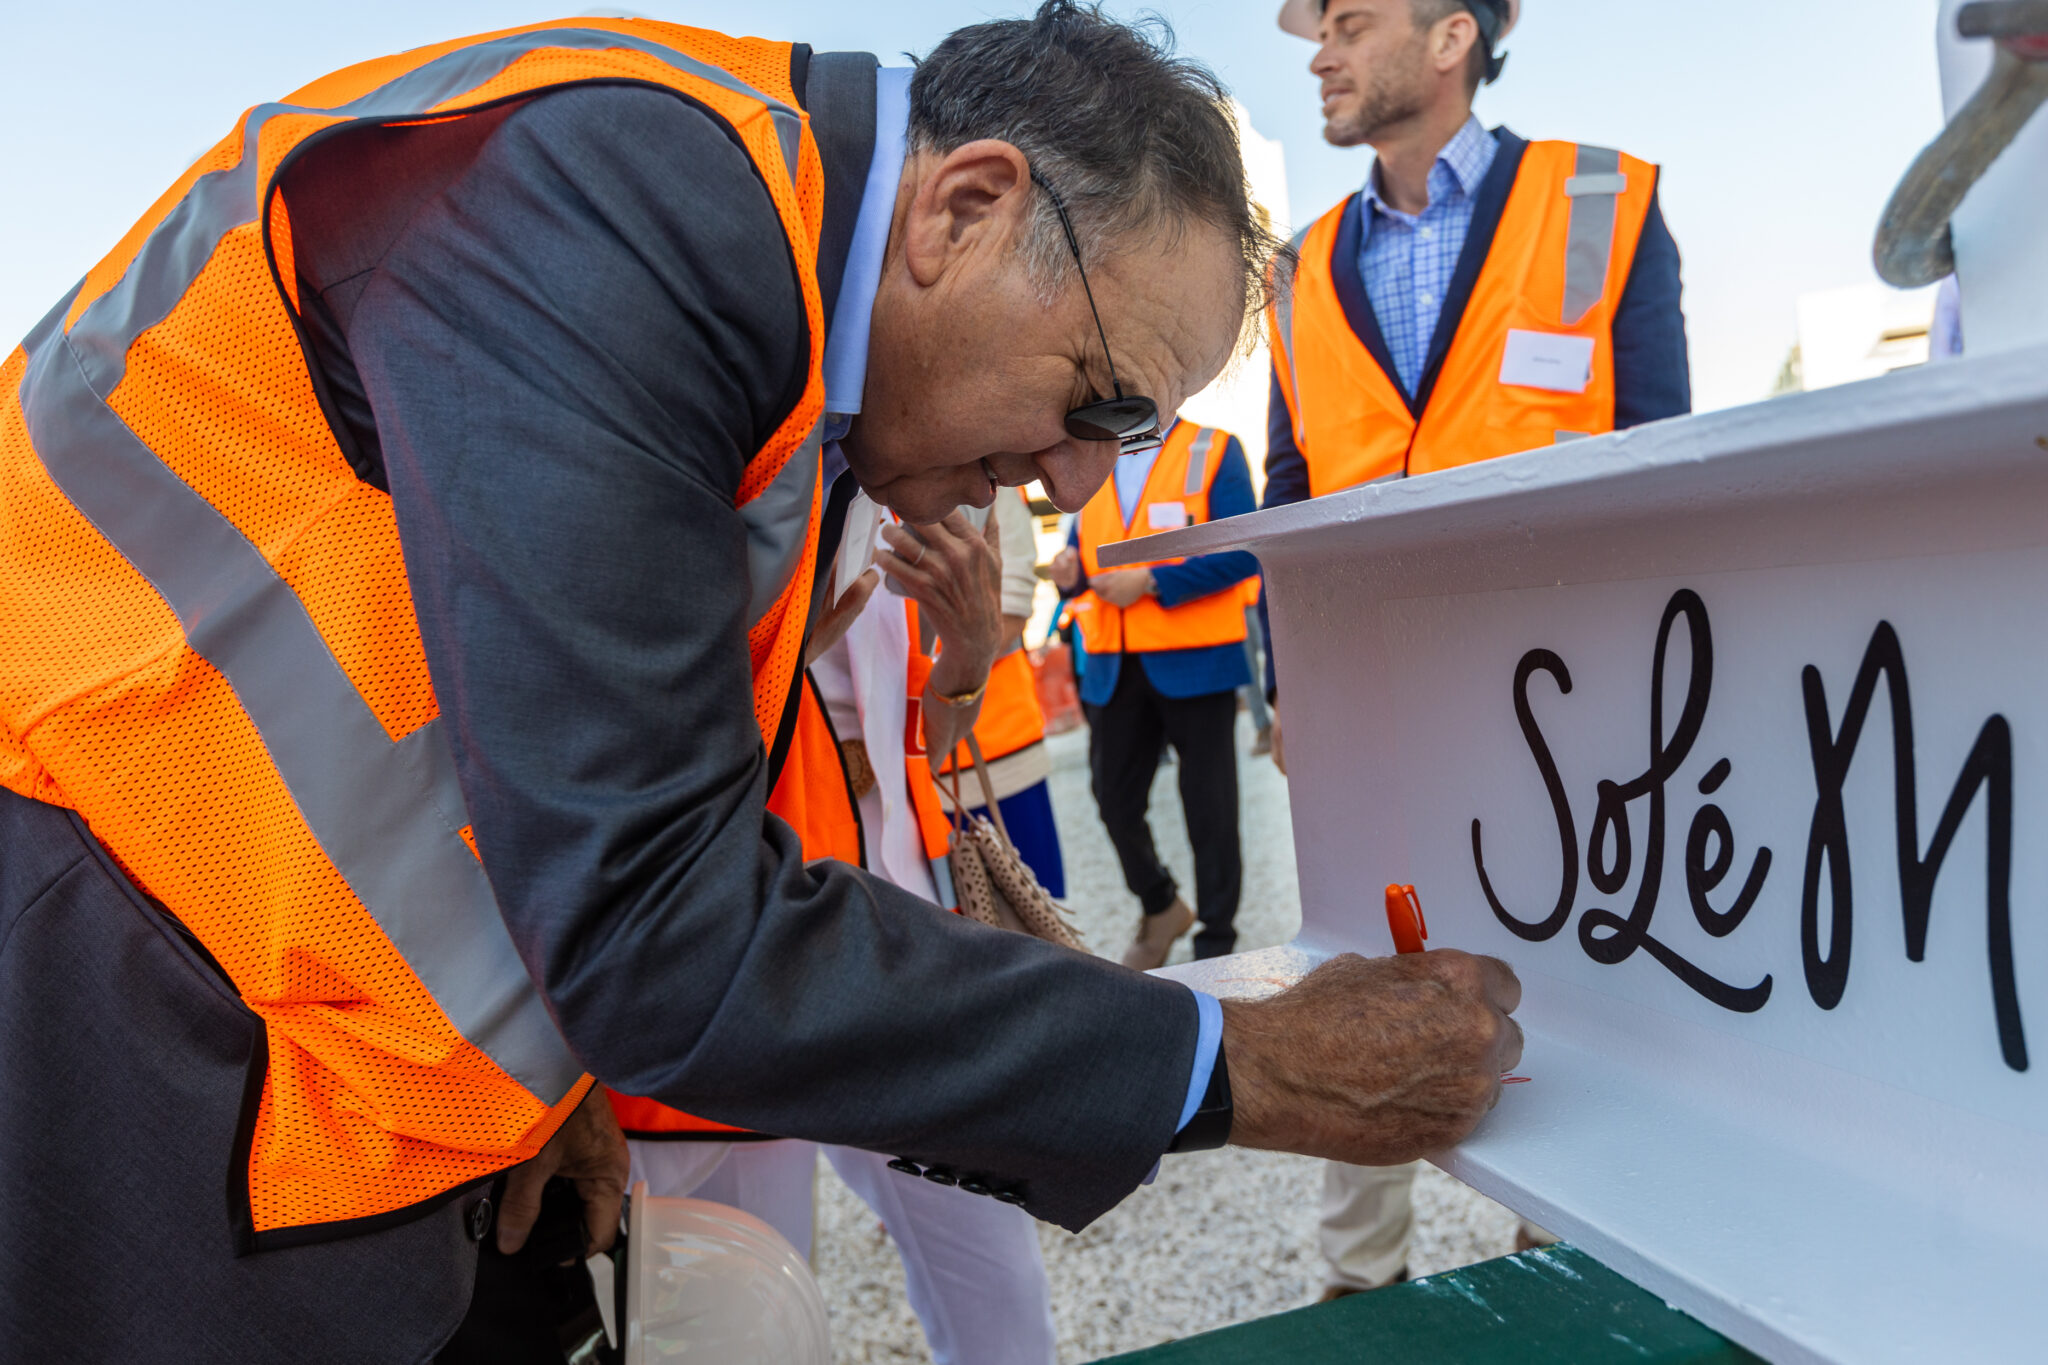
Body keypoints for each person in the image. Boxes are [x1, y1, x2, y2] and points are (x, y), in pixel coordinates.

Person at [0, 8, 1525, 1360]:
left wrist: (551, 1074)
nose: (1073, 481)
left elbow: (553, 752)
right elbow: (666, 918)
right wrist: (1241, 1060)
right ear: (968, 208)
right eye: (1099, 398)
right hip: (113, 1007)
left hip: (291, 1030)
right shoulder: (619, 210)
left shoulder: (785, 334)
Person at [1265, 0, 1690, 1297]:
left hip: (1582, 699)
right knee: (1365, 962)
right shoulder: (1296, 266)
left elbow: (1665, 460)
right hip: (1381, 699)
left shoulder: (1600, 199)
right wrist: (1295, 690)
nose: (1319, 52)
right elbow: (1291, 490)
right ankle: (1358, 1276)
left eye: (1347, 20)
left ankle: (1566, 1254)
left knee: (1584, 970)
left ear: (1452, 36)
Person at [1050, 419, 1261, 968]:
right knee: (1113, 799)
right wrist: (1068, 573)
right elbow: (1082, 556)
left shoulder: (1213, 449)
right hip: (1112, 662)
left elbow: (1245, 550)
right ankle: (1161, 902)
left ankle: (1217, 940)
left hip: (1196, 656)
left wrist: (1152, 582)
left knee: (1210, 811)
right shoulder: (1089, 459)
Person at [935, 488, 1068, 896]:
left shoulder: (990, 488)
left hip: (998, 754)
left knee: (1032, 911)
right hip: (907, 769)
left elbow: (1009, 613)